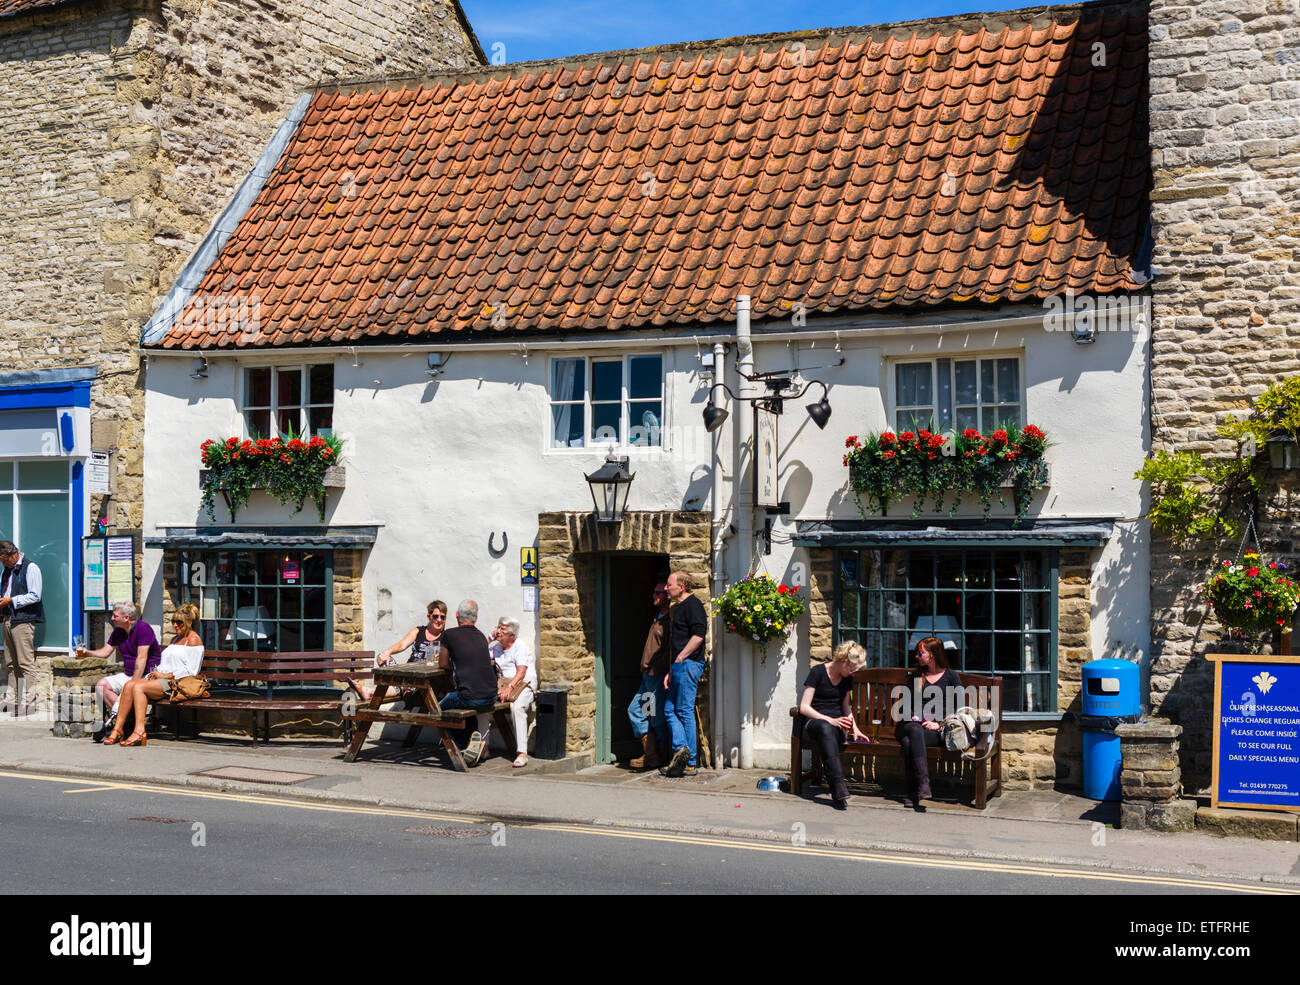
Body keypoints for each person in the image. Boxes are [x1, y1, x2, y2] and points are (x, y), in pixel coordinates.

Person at [103, 604, 204, 747]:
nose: (175, 625)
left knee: (138, 688)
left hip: (178, 684)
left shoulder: (194, 640)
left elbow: (192, 671)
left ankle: (139, 731)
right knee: (130, 684)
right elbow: (166, 662)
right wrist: (154, 673)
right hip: (162, 680)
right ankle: (117, 729)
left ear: (190, 622)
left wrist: (166, 675)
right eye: (173, 622)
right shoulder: (175, 639)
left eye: (179, 622)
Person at [798, 641, 869, 810]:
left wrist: (855, 728)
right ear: (844, 661)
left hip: (835, 728)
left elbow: (845, 707)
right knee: (824, 727)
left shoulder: (846, 679)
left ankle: (838, 791)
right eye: (852, 669)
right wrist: (829, 719)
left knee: (828, 730)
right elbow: (804, 707)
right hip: (814, 725)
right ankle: (839, 786)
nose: (853, 673)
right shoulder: (817, 672)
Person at [895, 636, 963, 810]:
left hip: (935, 731)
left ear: (932, 655)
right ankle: (924, 784)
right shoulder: (917, 676)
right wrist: (914, 716)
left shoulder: (951, 677)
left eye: (920, 653)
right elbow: (904, 706)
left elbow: (960, 709)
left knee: (908, 742)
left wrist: (940, 723)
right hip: (910, 725)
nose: (917, 656)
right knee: (913, 730)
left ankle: (913, 792)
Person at [436, 599, 499, 767]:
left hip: (470, 696)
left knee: (437, 709)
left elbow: (442, 664)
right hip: (492, 696)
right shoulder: (480, 636)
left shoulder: (449, 634)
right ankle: (473, 737)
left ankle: (464, 742)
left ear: (457, 616)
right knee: (464, 703)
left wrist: (454, 662)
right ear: (476, 618)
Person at [80, 602, 162, 723]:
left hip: (147, 675)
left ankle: (122, 721)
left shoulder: (143, 629)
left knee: (127, 689)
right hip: (128, 673)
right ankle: (127, 718)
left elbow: (142, 658)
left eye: (115, 616)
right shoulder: (118, 631)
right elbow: (105, 652)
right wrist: (87, 653)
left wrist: (131, 684)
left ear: (126, 618)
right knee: (101, 685)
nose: (112, 618)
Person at [660, 570, 707, 777]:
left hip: (689, 664)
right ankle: (682, 750)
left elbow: (698, 636)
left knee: (684, 710)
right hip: (679, 666)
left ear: (681, 587)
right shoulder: (677, 608)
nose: (665, 588)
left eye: (669, 584)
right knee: (669, 710)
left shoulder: (693, 605)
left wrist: (681, 658)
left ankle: (690, 763)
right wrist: (670, 671)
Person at [353, 600, 448, 701]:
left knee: (407, 682)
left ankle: (370, 692)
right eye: (435, 616)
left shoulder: (446, 637)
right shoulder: (419, 631)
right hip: (408, 673)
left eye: (442, 617)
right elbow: (403, 644)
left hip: (426, 677)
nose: (439, 620)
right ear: (429, 617)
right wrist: (387, 652)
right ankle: (404, 687)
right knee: (385, 658)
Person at [627, 582, 670, 770]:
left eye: (657, 592)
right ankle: (652, 753)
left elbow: (667, 649)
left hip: (655, 676)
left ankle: (656, 755)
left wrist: (656, 668)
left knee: (654, 715)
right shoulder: (657, 618)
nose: (654, 595)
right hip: (648, 675)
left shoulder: (667, 621)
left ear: (666, 596)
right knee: (638, 711)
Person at [0, 540, 42, 714]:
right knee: (11, 663)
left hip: (24, 619)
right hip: (9, 618)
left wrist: (11, 601)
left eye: (4, 560)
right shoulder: (7, 570)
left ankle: (29, 703)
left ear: (13, 554)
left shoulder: (31, 568)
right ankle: (11, 700)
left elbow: (35, 595)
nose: (3, 564)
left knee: (25, 663)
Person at [488, 616, 536, 768]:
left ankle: (522, 753)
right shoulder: (495, 647)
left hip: (523, 683)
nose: (499, 631)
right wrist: (490, 637)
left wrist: (510, 688)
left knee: (517, 707)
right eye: (498, 627)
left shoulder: (520, 646)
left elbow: (521, 671)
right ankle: (483, 748)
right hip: (503, 684)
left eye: (503, 629)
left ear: (512, 635)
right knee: (483, 703)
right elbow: (478, 650)